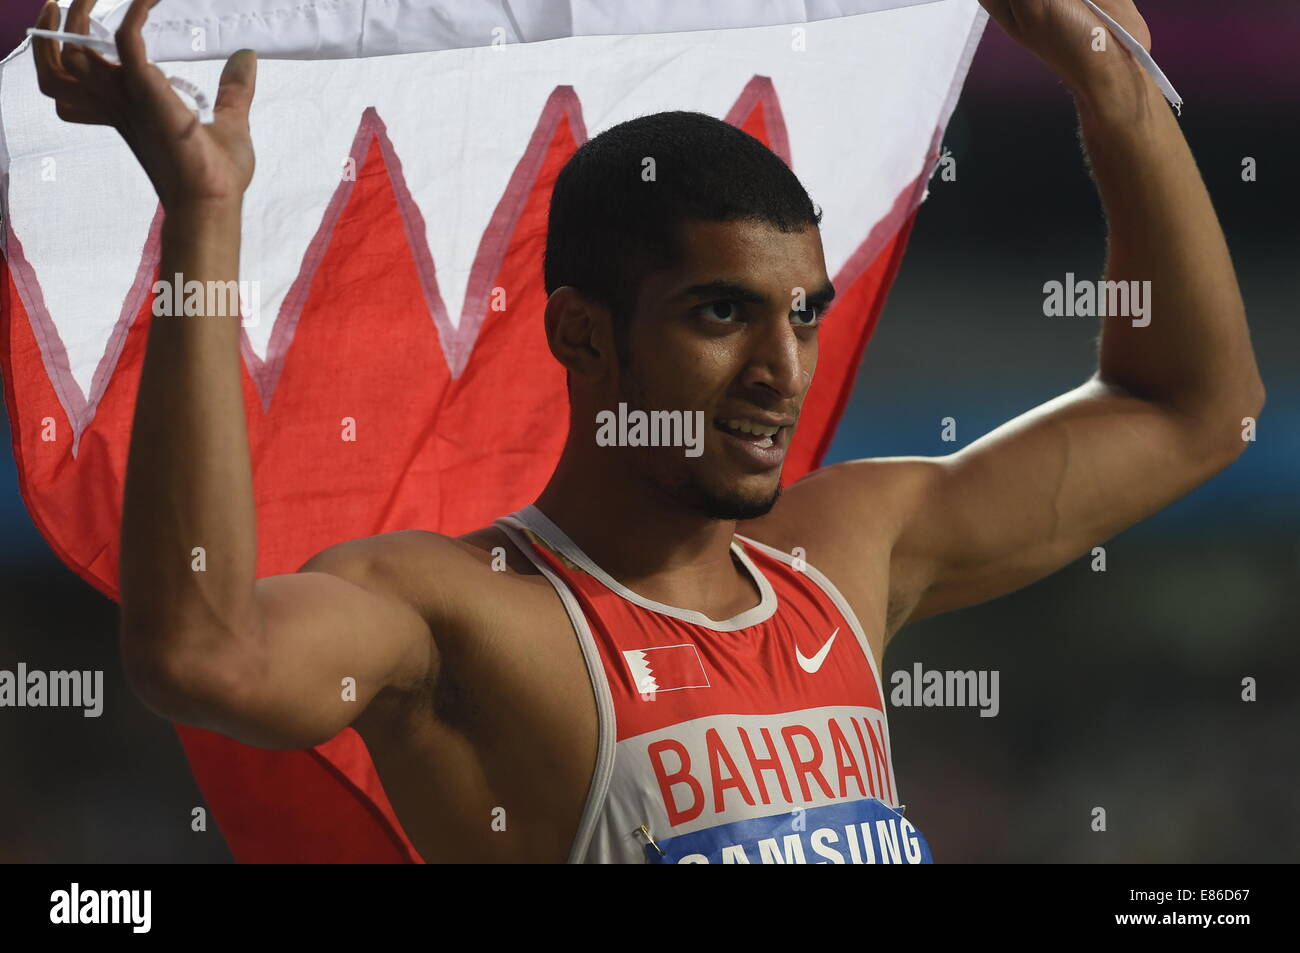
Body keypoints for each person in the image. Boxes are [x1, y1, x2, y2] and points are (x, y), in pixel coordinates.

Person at [32, 0, 1263, 863]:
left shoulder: (841, 558)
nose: (780, 370)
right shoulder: (464, 613)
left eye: (803, 315)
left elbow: (1197, 409)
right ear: (581, 336)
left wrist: (1116, 92)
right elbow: (203, 654)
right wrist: (202, 216)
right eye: (720, 314)